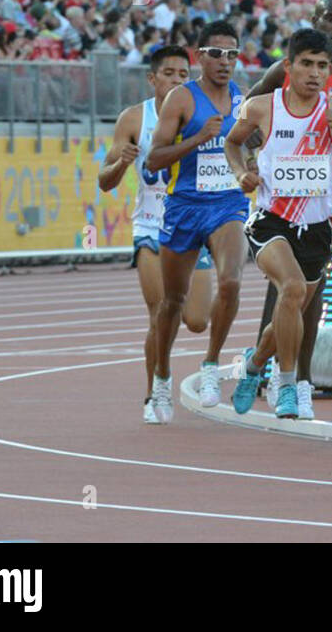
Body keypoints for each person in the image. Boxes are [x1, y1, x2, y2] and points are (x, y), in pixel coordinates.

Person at [245, 0, 332, 416]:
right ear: (316, 19)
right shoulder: (286, 68)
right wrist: (255, 159)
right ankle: (281, 375)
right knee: (284, 287)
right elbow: (247, 115)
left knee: (309, 290)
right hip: (282, 196)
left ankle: (295, 376)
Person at [98, 46, 215, 423]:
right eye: (169, 73)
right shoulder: (135, 117)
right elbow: (104, 181)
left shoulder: (204, 112)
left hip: (195, 224)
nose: (178, 80)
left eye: (184, 74)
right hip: (151, 226)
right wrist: (121, 161)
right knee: (160, 311)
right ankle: (154, 393)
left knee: (196, 319)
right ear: (153, 78)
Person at [144, 21, 250, 421]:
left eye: (233, 54)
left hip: (228, 204)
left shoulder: (243, 100)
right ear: (200, 56)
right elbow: (154, 160)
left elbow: (252, 144)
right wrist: (197, 138)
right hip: (184, 206)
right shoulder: (180, 99)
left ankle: (210, 365)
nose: (226, 62)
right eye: (217, 54)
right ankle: (161, 379)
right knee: (172, 303)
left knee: (233, 280)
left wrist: (251, 165)